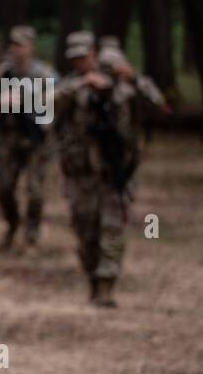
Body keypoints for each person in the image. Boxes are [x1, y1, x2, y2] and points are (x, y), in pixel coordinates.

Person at [53, 33, 150, 307]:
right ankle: (93, 278)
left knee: (112, 228)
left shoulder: (123, 85)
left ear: (93, 54)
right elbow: (46, 104)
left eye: (84, 56)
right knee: (85, 231)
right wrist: (82, 84)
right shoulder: (72, 85)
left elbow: (157, 105)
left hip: (114, 174)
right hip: (80, 173)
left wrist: (132, 78)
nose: (80, 61)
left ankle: (107, 287)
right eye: (75, 58)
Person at [0, 25, 57, 251]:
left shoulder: (44, 74)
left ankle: (31, 236)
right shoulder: (2, 73)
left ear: (31, 47)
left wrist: (27, 100)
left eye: (21, 45)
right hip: (8, 140)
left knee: (35, 192)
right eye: (13, 45)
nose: (16, 49)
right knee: (4, 188)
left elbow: (58, 101)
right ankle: (13, 224)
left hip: (35, 140)